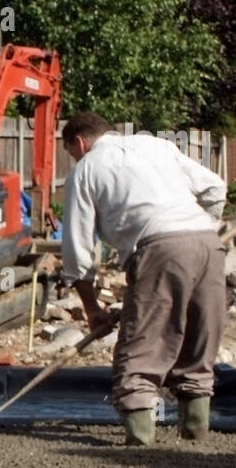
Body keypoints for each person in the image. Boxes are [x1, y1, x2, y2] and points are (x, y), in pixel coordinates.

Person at [60, 112, 226, 445]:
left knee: (141, 346)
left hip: (158, 247)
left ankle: (141, 442)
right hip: (207, 243)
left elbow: (78, 250)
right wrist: (203, 229)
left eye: (71, 152)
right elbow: (215, 187)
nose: (74, 158)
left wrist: (92, 309)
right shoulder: (155, 145)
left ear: (79, 143)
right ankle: (195, 434)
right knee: (199, 338)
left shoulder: (86, 169)